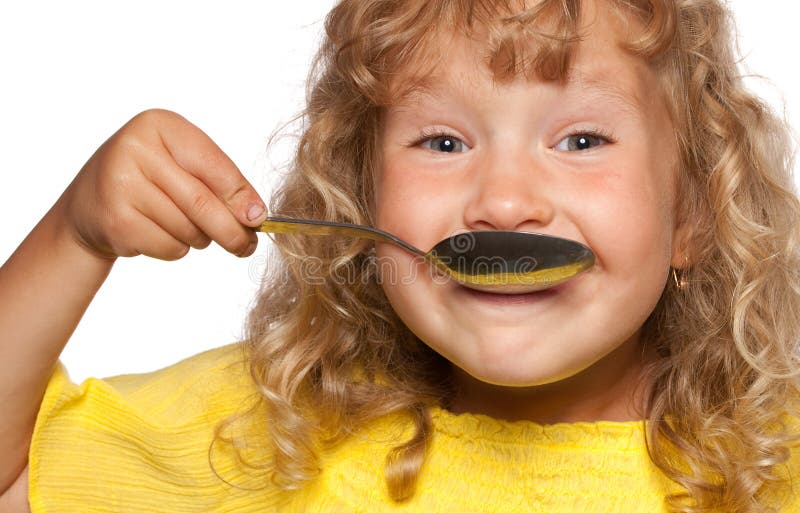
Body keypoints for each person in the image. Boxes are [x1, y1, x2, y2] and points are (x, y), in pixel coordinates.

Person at [2, 0, 799, 511]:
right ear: (363, 195)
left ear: (692, 211)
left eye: (582, 139)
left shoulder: (775, 468)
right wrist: (75, 237)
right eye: (442, 140)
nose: (505, 199)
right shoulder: (280, 433)